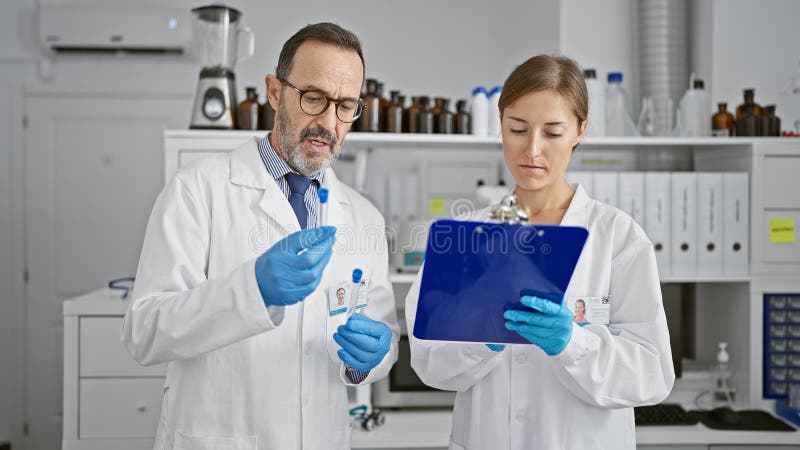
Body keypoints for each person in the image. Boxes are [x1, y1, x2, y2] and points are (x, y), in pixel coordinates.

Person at [122, 23, 399, 450]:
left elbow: (379, 332)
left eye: (345, 106)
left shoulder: (364, 217)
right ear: (274, 92)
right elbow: (145, 332)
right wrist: (253, 289)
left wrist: (371, 359)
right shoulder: (198, 189)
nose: (328, 122)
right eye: (313, 98)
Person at [406, 55, 674, 450]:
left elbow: (652, 374)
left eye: (552, 132)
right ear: (501, 124)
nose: (532, 149)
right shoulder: (464, 238)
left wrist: (572, 344)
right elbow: (427, 359)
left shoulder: (617, 238)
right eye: (518, 129)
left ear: (580, 131)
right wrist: (482, 336)